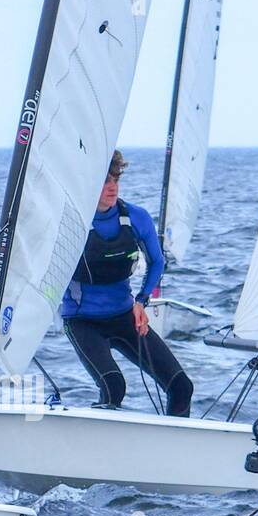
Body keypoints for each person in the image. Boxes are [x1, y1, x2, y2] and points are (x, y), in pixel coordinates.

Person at [61, 151, 194, 417]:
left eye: (115, 179)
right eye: (104, 181)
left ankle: (174, 449)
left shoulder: (135, 217)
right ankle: (98, 449)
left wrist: (141, 301)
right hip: (82, 321)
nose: (112, 187)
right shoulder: (71, 223)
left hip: (124, 317)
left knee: (181, 386)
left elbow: (157, 262)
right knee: (114, 385)